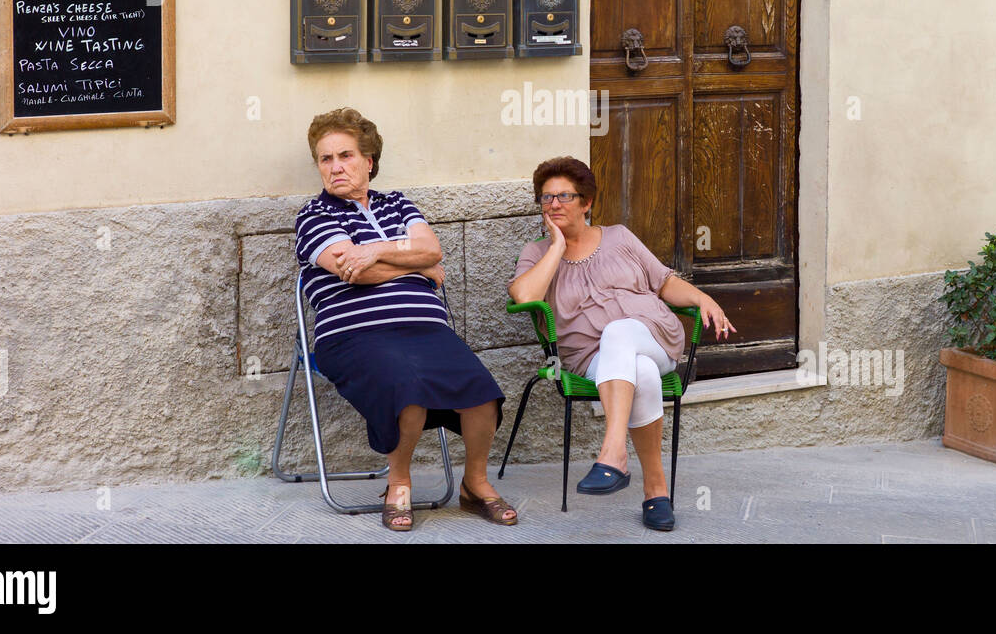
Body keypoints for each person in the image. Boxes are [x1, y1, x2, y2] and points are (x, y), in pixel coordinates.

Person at [295, 107, 517, 531]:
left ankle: (475, 483)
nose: (336, 167)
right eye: (326, 159)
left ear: (369, 161)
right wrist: (412, 266)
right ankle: (398, 483)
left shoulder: (397, 204)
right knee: (407, 390)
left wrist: (377, 249)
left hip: (425, 330)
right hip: (354, 336)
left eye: (345, 155)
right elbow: (355, 272)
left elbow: (431, 250)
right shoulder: (315, 215)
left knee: (482, 393)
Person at [508, 156, 735, 532]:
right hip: (591, 357)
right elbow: (524, 295)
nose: (554, 205)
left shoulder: (619, 237)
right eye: (546, 199)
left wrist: (700, 298)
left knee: (620, 334)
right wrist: (557, 247)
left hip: (653, 336)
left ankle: (613, 454)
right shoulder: (537, 254)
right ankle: (655, 491)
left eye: (565, 196)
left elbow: (663, 282)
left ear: (587, 202)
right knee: (640, 373)